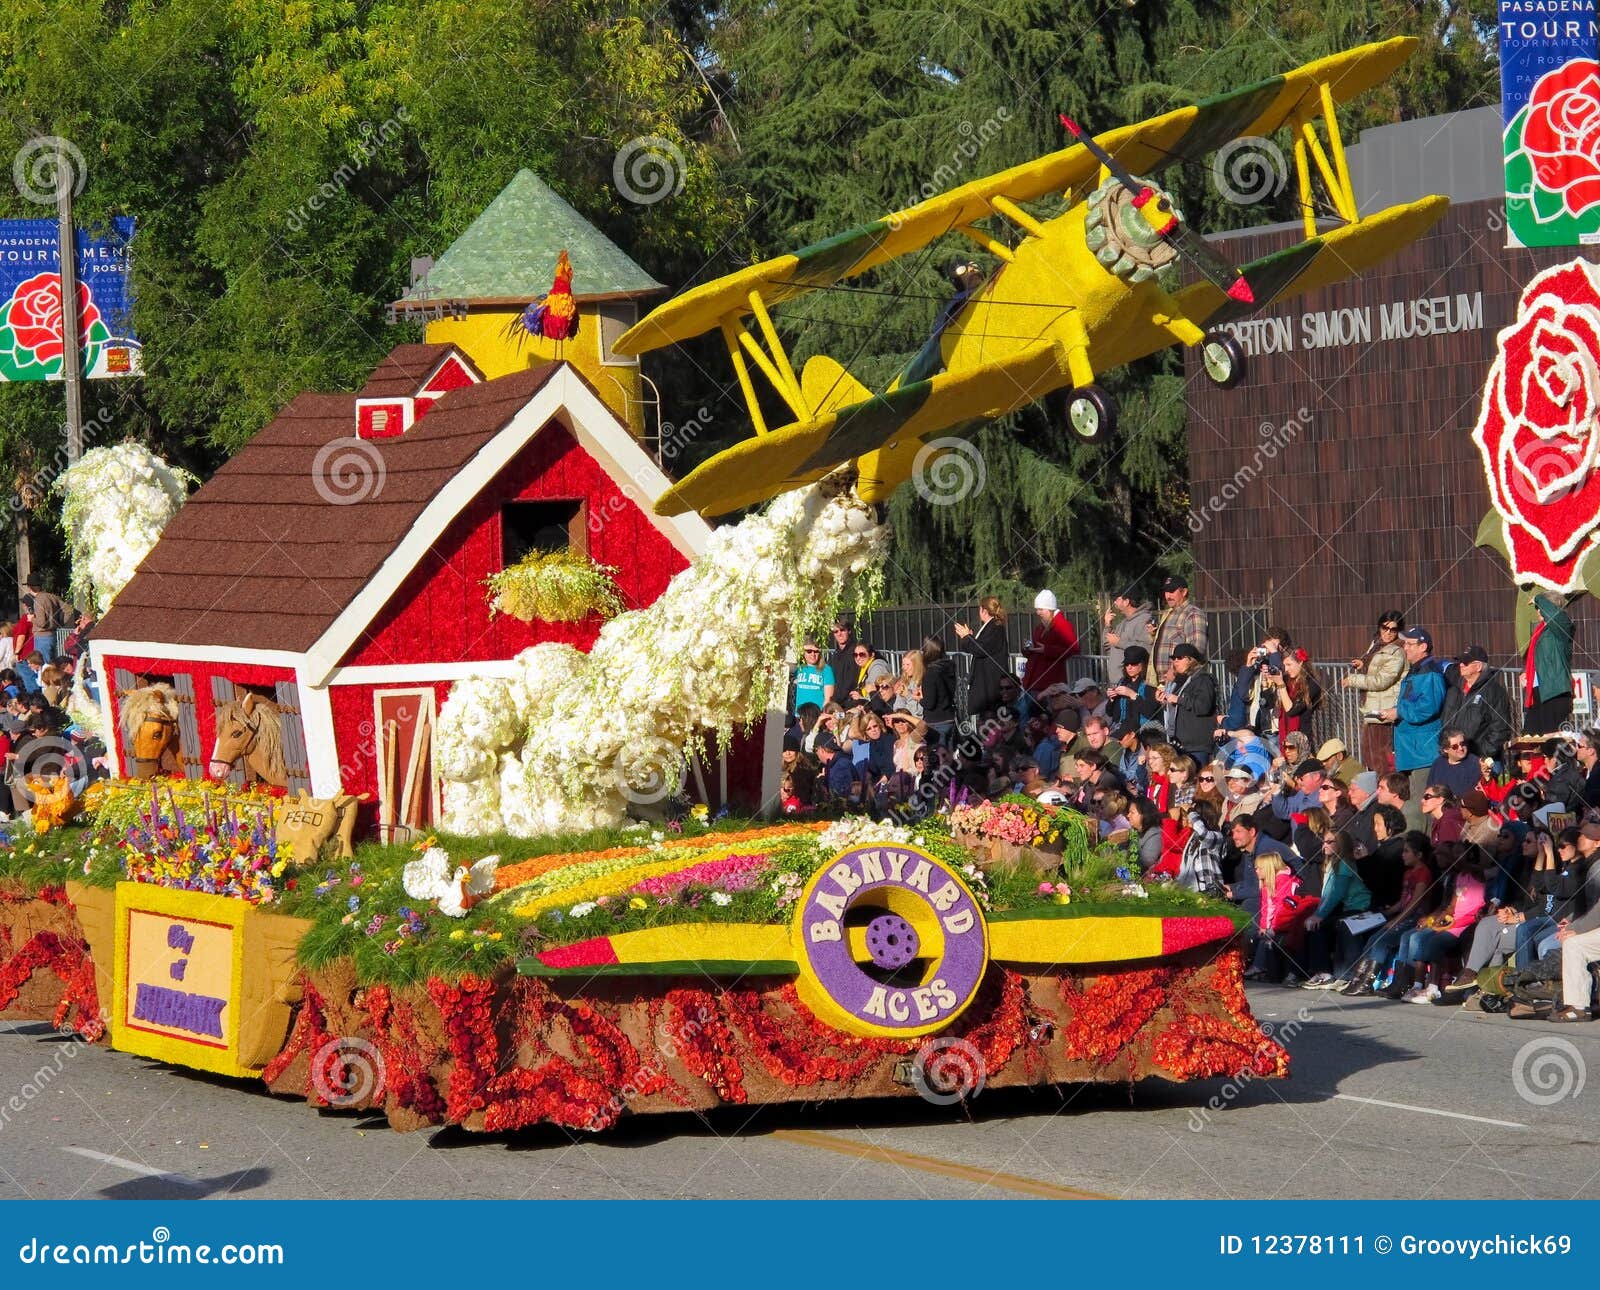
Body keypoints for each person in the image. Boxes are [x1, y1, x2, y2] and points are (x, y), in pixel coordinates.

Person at [1300, 830, 1374, 987]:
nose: (1324, 845)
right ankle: (1321, 972)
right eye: (1324, 841)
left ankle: (1327, 973)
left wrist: (1319, 915)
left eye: (1329, 842)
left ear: (1340, 844)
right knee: (1315, 926)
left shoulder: (1344, 864)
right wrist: (1317, 914)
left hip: (1361, 908)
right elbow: (1326, 895)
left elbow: (1335, 893)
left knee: (1319, 926)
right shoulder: (1332, 864)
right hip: (1348, 909)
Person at [1383, 626, 1447, 800]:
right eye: (1404, 644)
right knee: (1411, 802)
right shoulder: (1416, 671)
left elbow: (1428, 707)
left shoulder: (1430, 673)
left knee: (1421, 803)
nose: (1405, 648)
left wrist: (1399, 712)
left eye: (1410, 644)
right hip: (1412, 752)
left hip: (1423, 753)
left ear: (1423, 647)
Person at [1341, 610, 1407, 772]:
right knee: (1369, 756)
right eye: (1385, 628)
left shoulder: (1397, 651)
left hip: (1384, 712)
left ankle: (1385, 787)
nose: (1388, 633)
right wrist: (1363, 663)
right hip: (1372, 709)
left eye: (1393, 629)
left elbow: (1381, 681)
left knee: (1381, 760)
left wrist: (1353, 680)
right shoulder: (1377, 644)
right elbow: (1374, 664)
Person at [1442, 644, 1513, 766]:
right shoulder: (1454, 690)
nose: (1461, 665)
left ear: (1479, 666)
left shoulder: (1494, 692)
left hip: (1481, 761)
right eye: (1460, 662)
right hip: (1453, 758)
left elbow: (1500, 729)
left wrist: (1482, 754)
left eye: (1466, 662)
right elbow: (1445, 720)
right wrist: (1448, 749)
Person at [1522, 589, 1575, 736]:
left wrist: (1538, 598)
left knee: (1552, 740)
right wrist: (1528, 673)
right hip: (1538, 690)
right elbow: (1539, 658)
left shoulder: (1563, 626)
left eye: (1539, 607)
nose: (1538, 610)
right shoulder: (1540, 630)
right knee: (1531, 738)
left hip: (1555, 691)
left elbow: (1553, 615)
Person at [954, 597, 1012, 726]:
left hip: (990, 687)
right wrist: (969, 638)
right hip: (987, 685)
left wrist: (967, 637)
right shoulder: (991, 627)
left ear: (983, 610)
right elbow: (979, 648)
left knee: (989, 724)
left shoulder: (995, 627)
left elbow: (981, 649)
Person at [1020, 591, 1079, 714]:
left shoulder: (1062, 625)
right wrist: (1027, 649)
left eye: (1041, 609)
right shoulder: (1041, 626)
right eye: (1037, 609)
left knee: (1043, 716)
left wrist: (1047, 650)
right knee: (1029, 717)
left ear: (1050, 609)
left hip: (1048, 683)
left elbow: (1074, 649)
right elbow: (1037, 648)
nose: (1038, 613)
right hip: (1034, 682)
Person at [1160, 643, 1216, 768]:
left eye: (1180, 658)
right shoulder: (1180, 681)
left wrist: (1179, 700)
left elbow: (1203, 706)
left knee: (1198, 777)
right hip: (1180, 744)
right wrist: (1165, 701)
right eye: (1174, 658)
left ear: (1191, 660)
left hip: (1197, 746)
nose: (1175, 661)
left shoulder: (1202, 679)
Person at [1149, 574, 1207, 683]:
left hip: (1180, 681)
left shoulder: (1193, 614)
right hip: (1162, 682)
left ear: (1184, 592)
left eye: (1172, 591)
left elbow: (1196, 650)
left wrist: (1174, 671)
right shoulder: (1168, 614)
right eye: (1166, 591)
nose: (1168, 596)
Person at [1269, 649, 1322, 754]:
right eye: (1284, 665)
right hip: (1284, 736)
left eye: (1289, 665)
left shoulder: (1312, 683)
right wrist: (1267, 683)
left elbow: (1292, 711)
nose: (1286, 669)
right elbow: (1269, 703)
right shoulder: (1285, 680)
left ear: (1300, 662)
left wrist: (1281, 685)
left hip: (1301, 736)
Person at [1102, 588, 1154, 683]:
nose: (1114, 602)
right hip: (1117, 683)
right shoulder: (1123, 622)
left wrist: (1119, 642)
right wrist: (1107, 625)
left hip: (1132, 684)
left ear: (1126, 602)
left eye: (1117, 599)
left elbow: (1146, 649)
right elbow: (1107, 645)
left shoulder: (1144, 620)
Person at [918, 636, 958, 746]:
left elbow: (930, 703)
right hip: (949, 718)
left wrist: (919, 699)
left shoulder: (930, 674)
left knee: (938, 754)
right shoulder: (949, 668)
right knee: (949, 754)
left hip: (936, 722)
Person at [1105, 645, 1156, 729]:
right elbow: (1109, 712)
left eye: (1133, 664)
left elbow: (1150, 712)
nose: (1129, 667)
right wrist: (1111, 699)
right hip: (1120, 728)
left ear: (1143, 664)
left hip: (1141, 730)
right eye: (1126, 664)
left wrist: (1133, 695)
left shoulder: (1149, 684)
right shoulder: (1122, 682)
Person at [1426, 727, 1482, 799]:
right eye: (1455, 746)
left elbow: (1472, 795)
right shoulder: (1438, 763)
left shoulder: (1475, 763)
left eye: (1462, 743)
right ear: (1445, 749)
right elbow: (1429, 789)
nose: (1460, 748)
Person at [792, 642, 833, 713]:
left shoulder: (826, 670)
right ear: (803, 653)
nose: (813, 654)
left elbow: (828, 698)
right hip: (800, 715)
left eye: (816, 651)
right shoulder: (799, 669)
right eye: (809, 651)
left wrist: (821, 715)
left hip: (817, 715)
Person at [827, 618, 857, 696]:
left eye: (842, 630)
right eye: (836, 632)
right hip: (835, 698)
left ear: (849, 631)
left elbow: (852, 680)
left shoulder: (856, 653)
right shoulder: (834, 655)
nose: (839, 634)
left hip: (850, 699)